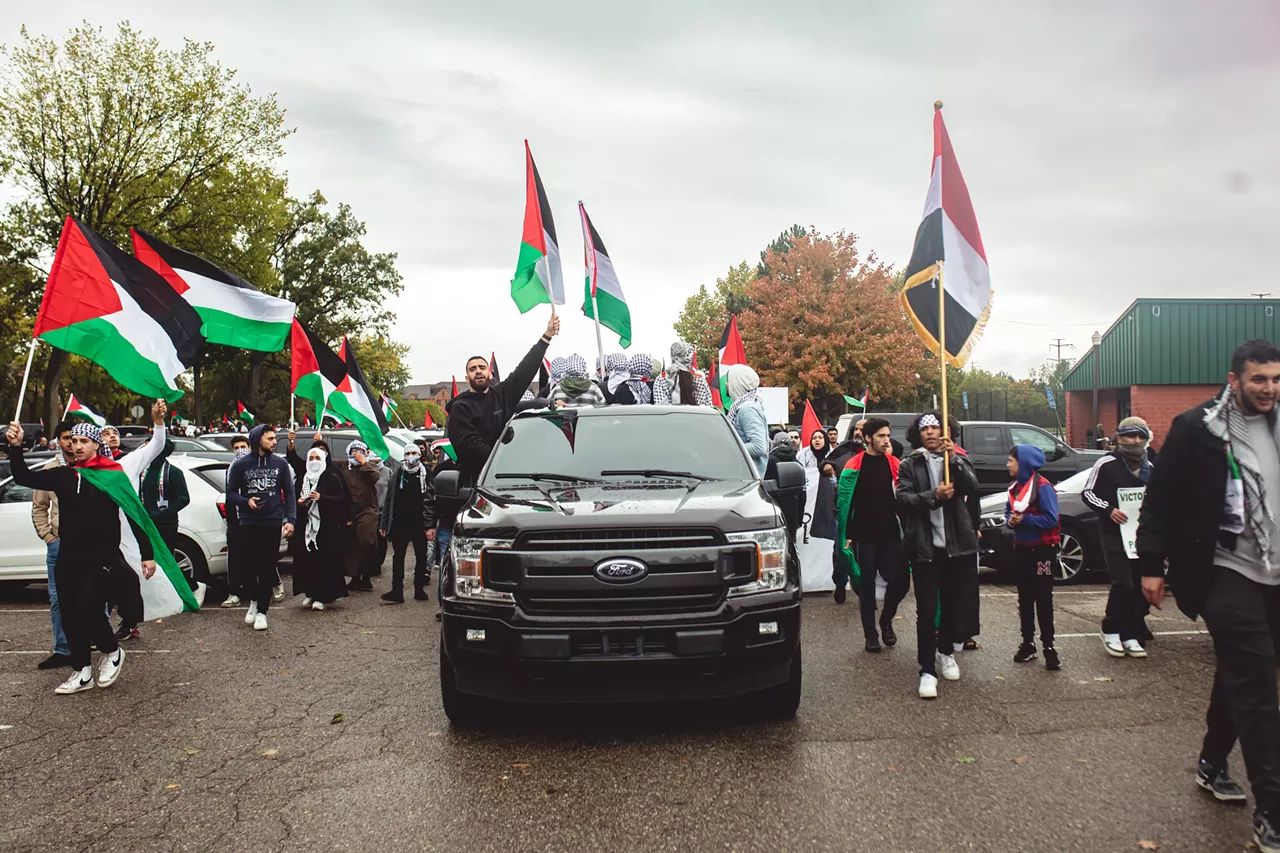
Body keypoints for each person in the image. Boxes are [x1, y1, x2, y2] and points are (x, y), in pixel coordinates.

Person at [1136, 339, 1280, 851]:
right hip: (1224, 569)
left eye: (1276, 379)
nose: (1269, 388)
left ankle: (1212, 760)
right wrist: (1151, 565)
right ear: (1234, 379)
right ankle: (1272, 812)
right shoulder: (1197, 429)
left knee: (1244, 674)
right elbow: (1160, 499)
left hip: (1276, 571)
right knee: (1259, 691)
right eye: (1259, 379)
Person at [6, 402, 168, 695]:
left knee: (89, 609)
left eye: (83, 441)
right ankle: (82, 671)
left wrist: (147, 555)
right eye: (73, 440)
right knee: (69, 615)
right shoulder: (63, 475)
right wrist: (16, 447)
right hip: (68, 557)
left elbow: (135, 514)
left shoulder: (112, 476)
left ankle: (112, 651)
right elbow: (23, 477)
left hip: (102, 557)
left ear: (96, 444)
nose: (77, 446)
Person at [897, 411, 979, 700]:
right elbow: (903, 499)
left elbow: (971, 487)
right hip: (925, 548)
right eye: (925, 429)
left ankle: (946, 653)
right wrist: (934, 496)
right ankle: (927, 670)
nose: (930, 432)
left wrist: (954, 459)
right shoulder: (909, 464)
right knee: (927, 610)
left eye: (935, 427)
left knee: (952, 605)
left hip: (956, 548)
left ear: (947, 432)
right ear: (918, 435)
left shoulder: (957, 459)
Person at [446, 314, 560, 487]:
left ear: (490, 374)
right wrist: (502, 459)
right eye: (473, 369)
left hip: (509, 479)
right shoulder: (460, 407)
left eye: (482, 367)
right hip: (476, 482)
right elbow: (471, 445)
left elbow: (524, 370)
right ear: (467, 378)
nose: (478, 371)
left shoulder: (501, 395)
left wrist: (547, 336)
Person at [1084, 416, 1156, 658]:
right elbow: (1088, 494)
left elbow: (1156, 499)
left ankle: (1131, 633)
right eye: (1130, 435)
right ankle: (1111, 629)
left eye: (1140, 436)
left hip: (1139, 536)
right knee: (1123, 583)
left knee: (1138, 586)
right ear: (1119, 437)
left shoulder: (1149, 466)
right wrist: (1109, 510)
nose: (1135, 441)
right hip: (1114, 534)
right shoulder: (1106, 463)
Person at [837, 417, 907, 652]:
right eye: (881, 436)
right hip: (864, 535)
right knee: (866, 586)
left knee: (899, 583)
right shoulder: (853, 466)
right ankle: (871, 635)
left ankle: (886, 621)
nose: (886, 440)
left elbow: (905, 499)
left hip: (891, 534)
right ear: (868, 438)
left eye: (888, 436)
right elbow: (845, 503)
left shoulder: (895, 464)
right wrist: (847, 533)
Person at [225, 424, 295, 631]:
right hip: (248, 522)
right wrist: (246, 502)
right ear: (257, 440)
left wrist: (290, 519)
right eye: (270, 438)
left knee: (266, 568)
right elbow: (231, 493)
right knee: (247, 567)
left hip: (272, 522)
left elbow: (289, 492)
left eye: (274, 438)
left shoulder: (281, 464)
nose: (274, 442)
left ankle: (263, 611)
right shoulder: (241, 465)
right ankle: (254, 601)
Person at [1005, 445, 1062, 670]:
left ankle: (1049, 646)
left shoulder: (1043, 487)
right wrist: (1010, 520)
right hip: (1022, 548)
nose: (1007, 465)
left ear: (1024, 463)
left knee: (1043, 597)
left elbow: (1051, 519)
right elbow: (1009, 511)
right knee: (1025, 598)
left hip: (1042, 551)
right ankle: (1028, 643)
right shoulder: (1013, 488)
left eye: (1011, 460)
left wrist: (1026, 520)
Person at [139, 435, 207, 607]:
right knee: (148, 559)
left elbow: (183, 498)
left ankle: (195, 585)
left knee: (166, 560)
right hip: (145, 522)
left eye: (151, 447)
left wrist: (163, 513)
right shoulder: (142, 471)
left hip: (165, 523)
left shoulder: (173, 472)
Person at [31, 420, 76, 669]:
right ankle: (62, 648)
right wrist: (48, 536)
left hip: (87, 544)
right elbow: (39, 507)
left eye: (75, 438)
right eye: (66, 438)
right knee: (58, 598)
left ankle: (97, 641)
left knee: (95, 595)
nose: (71, 443)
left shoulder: (91, 468)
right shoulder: (50, 470)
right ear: (58, 441)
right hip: (59, 544)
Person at [287, 439, 349, 610]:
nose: (314, 461)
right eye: (311, 458)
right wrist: (301, 503)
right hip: (306, 527)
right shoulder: (303, 479)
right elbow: (295, 500)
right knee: (307, 562)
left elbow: (341, 500)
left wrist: (322, 498)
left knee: (325, 563)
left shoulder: (331, 478)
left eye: (317, 458)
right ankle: (310, 592)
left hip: (326, 529)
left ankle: (323, 596)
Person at [380, 443, 437, 603]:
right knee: (398, 556)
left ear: (419, 455)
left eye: (414, 453)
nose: (411, 456)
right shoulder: (398, 473)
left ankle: (419, 589)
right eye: (408, 453)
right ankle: (397, 591)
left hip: (420, 522)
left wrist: (431, 525)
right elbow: (389, 499)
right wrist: (384, 523)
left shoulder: (426, 473)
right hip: (400, 523)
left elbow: (432, 500)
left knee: (421, 556)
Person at [340, 440, 381, 592]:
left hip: (367, 510)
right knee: (352, 545)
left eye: (359, 451)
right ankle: (355, 577)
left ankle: (367, 575)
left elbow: (375, 476)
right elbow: (325, 462)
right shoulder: (344, 466)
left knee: (367, 541)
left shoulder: (369, 466)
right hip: (350, 511)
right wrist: (318, 443)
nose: (356, 454)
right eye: (353, 451)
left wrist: (364, 462)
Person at [221, 435, 251, 608]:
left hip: (252, 519)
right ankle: (234, 593)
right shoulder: (230, 469)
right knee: (234, 558)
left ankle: (262, 590)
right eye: (236, 448)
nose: (240, 451)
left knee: (255, 557)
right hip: (235, 521)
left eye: (243, 447)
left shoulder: (254, 466)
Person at [725, 365, 768, 477]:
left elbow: (759, 447)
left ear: (737, 383)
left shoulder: (747, 409)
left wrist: (727, 449)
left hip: (746, 479)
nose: (726, 384)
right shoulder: (743, 407)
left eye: (729, 380)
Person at [765, 431, 802, 538]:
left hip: (773, 504)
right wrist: (800, 517)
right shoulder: (796, 461)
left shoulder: (769, 459)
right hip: (793, 505)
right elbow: (802, 493)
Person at [653, 342, 714, 407]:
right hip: (697, 413)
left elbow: (660, 407)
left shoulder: (661, 379)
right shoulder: (699, 379)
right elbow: (708, 407)